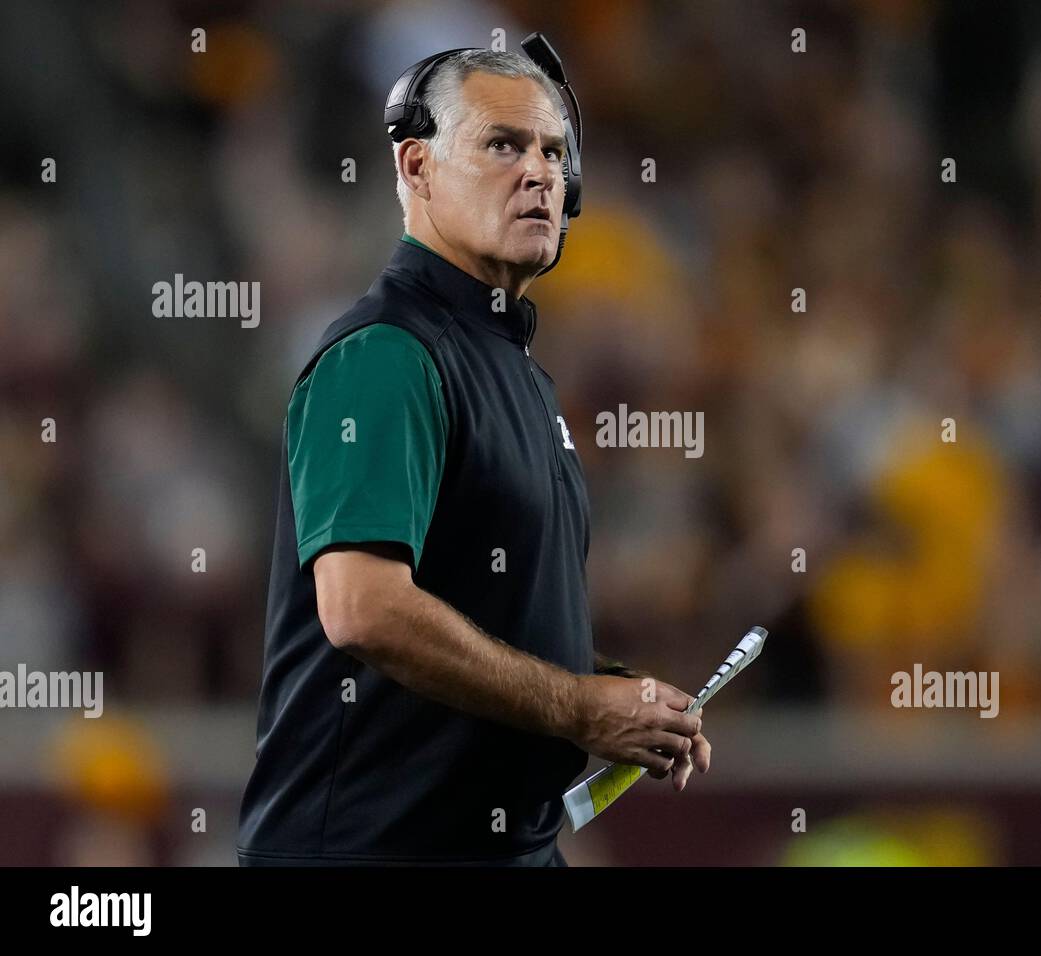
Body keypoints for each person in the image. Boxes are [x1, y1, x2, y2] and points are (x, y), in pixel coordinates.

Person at [236, 46, 709, 867]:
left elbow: (482, 604)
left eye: (554, 153)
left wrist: (615, 692)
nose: (539, 173)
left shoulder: (514, 372)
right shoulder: (386, 356)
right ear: (416, 166)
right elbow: (363, 607)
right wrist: (579, 707)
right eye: (503, 145)